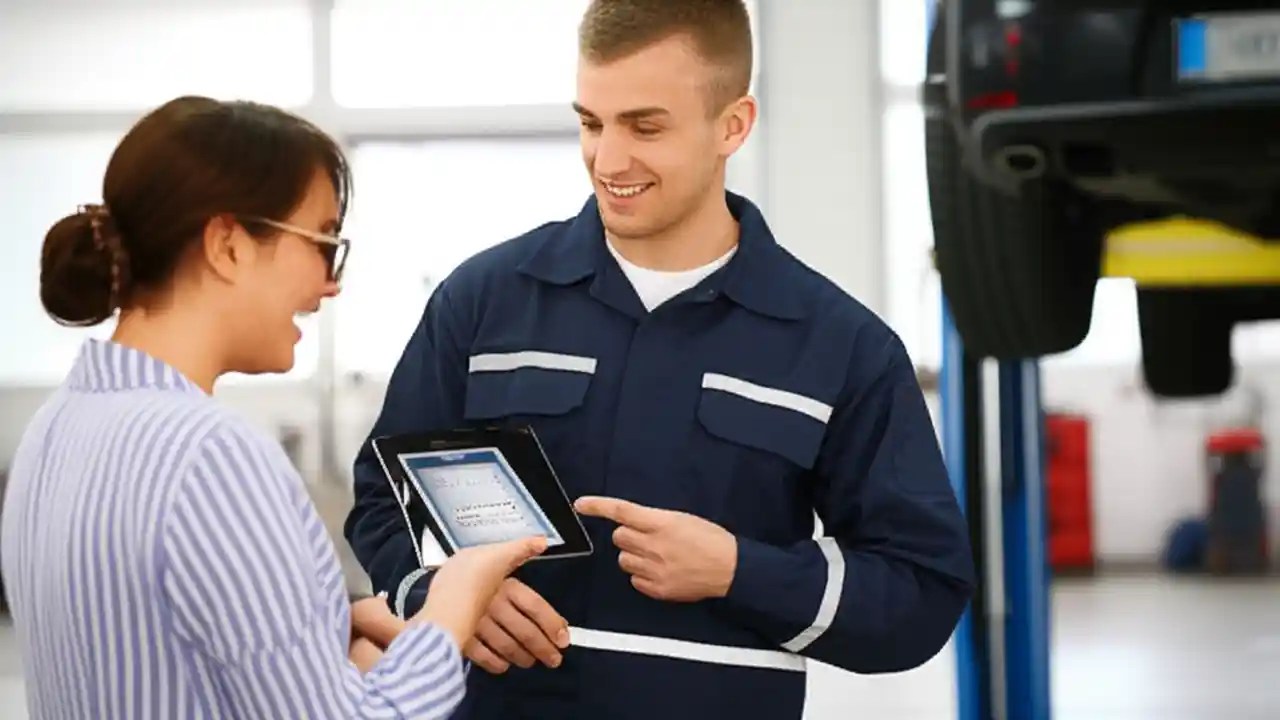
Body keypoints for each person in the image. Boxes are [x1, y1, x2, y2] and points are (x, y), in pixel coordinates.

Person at [346, 0, 976, 717]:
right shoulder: (484, 303)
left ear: (732, 125)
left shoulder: (839, 346)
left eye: (645, 126)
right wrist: (439, 593)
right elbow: (383, 497)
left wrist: (741, 572)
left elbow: (919, 592)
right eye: (591, 123)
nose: (608, 160)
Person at [0, 95, 549, 720]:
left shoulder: (58, 424)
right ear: (229, 245)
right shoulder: (210, 455)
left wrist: (320, 629)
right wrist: (452, 606)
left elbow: (139, 642)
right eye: (324, 243)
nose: (331, 283)